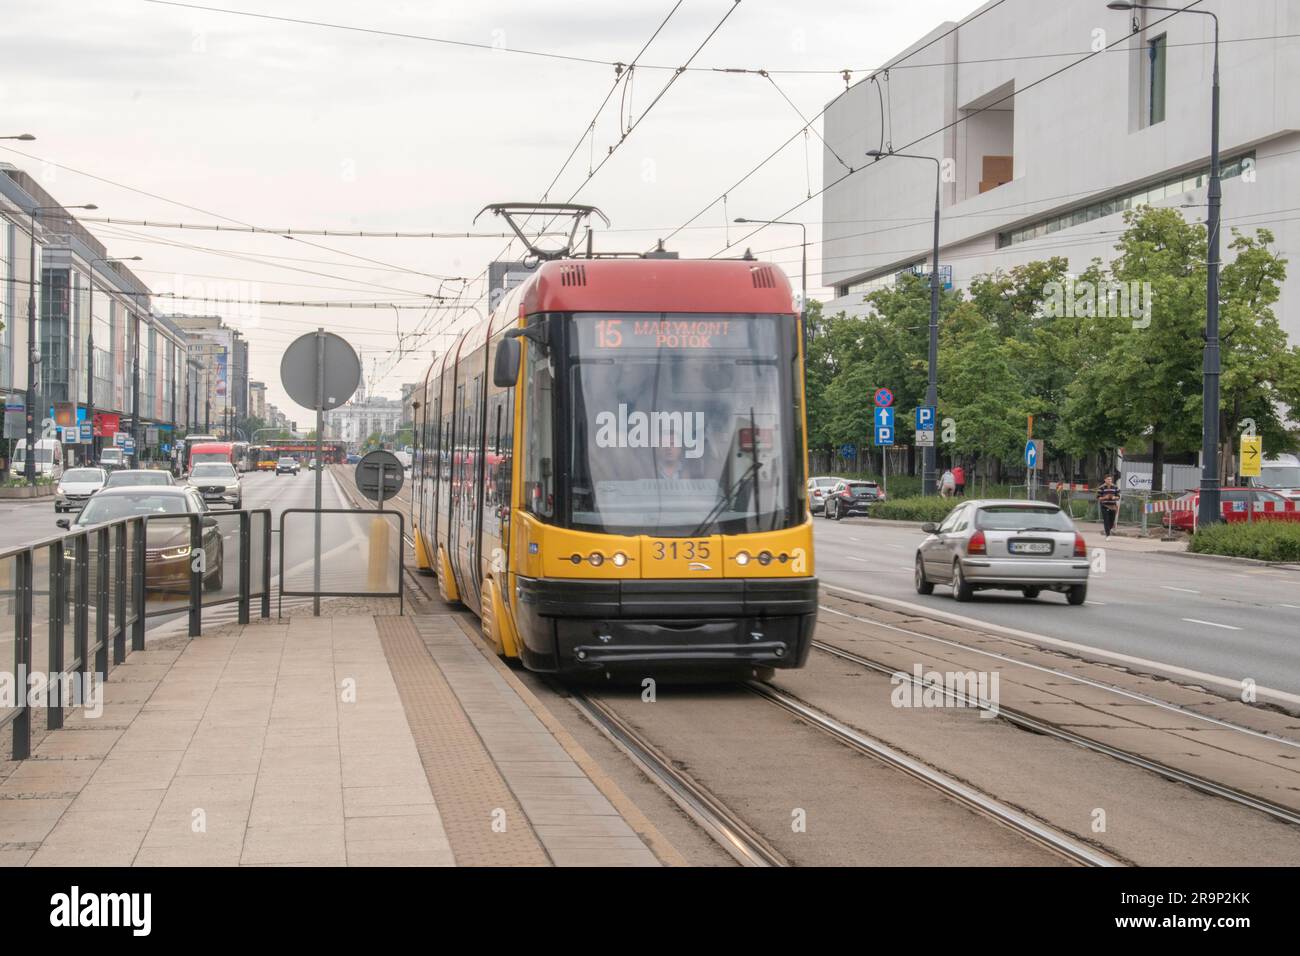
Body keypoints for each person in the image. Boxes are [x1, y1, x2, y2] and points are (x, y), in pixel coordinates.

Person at [1097, 473, 1120, 538]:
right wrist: (1105, 497)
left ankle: (1107, 530)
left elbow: (1118, 497)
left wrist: (1114, 497)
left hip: (1113, 506)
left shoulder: (1115, 487)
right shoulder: (1101, 487)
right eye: (1108, 479)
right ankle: (1108, 535)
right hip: (1104, 506)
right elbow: (1098, 497)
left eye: (1110, 479)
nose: (1110, 480)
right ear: (1105, 480)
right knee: (1106, 520)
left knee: (1112, 522)